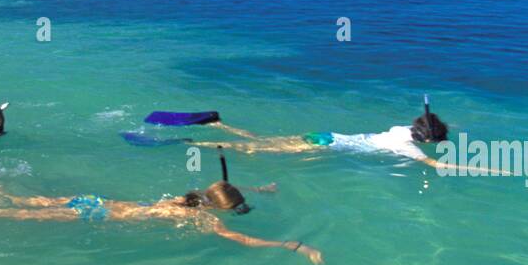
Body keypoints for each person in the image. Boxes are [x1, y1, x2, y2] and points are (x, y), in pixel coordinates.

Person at [0, 149, 323, 264]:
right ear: (218, 208)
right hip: (97, 214)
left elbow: (224, 186)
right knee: (12, 213)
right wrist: (290, 245)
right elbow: (240, 238)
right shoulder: (201, 217)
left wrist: (258, 189)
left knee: (20, 200)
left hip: (97, 200)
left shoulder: (188, 198)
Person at [168, 97, 506, 175]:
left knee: (261, 138)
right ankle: (194, 143)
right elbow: (436, 165)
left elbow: (429, 129)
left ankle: (215, 123)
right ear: (427, 138)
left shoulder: (402, 130)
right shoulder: (406, 145)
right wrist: (493, 170)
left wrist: (445, 128)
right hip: (325, 143)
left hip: (325, 135)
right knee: (255, 150)